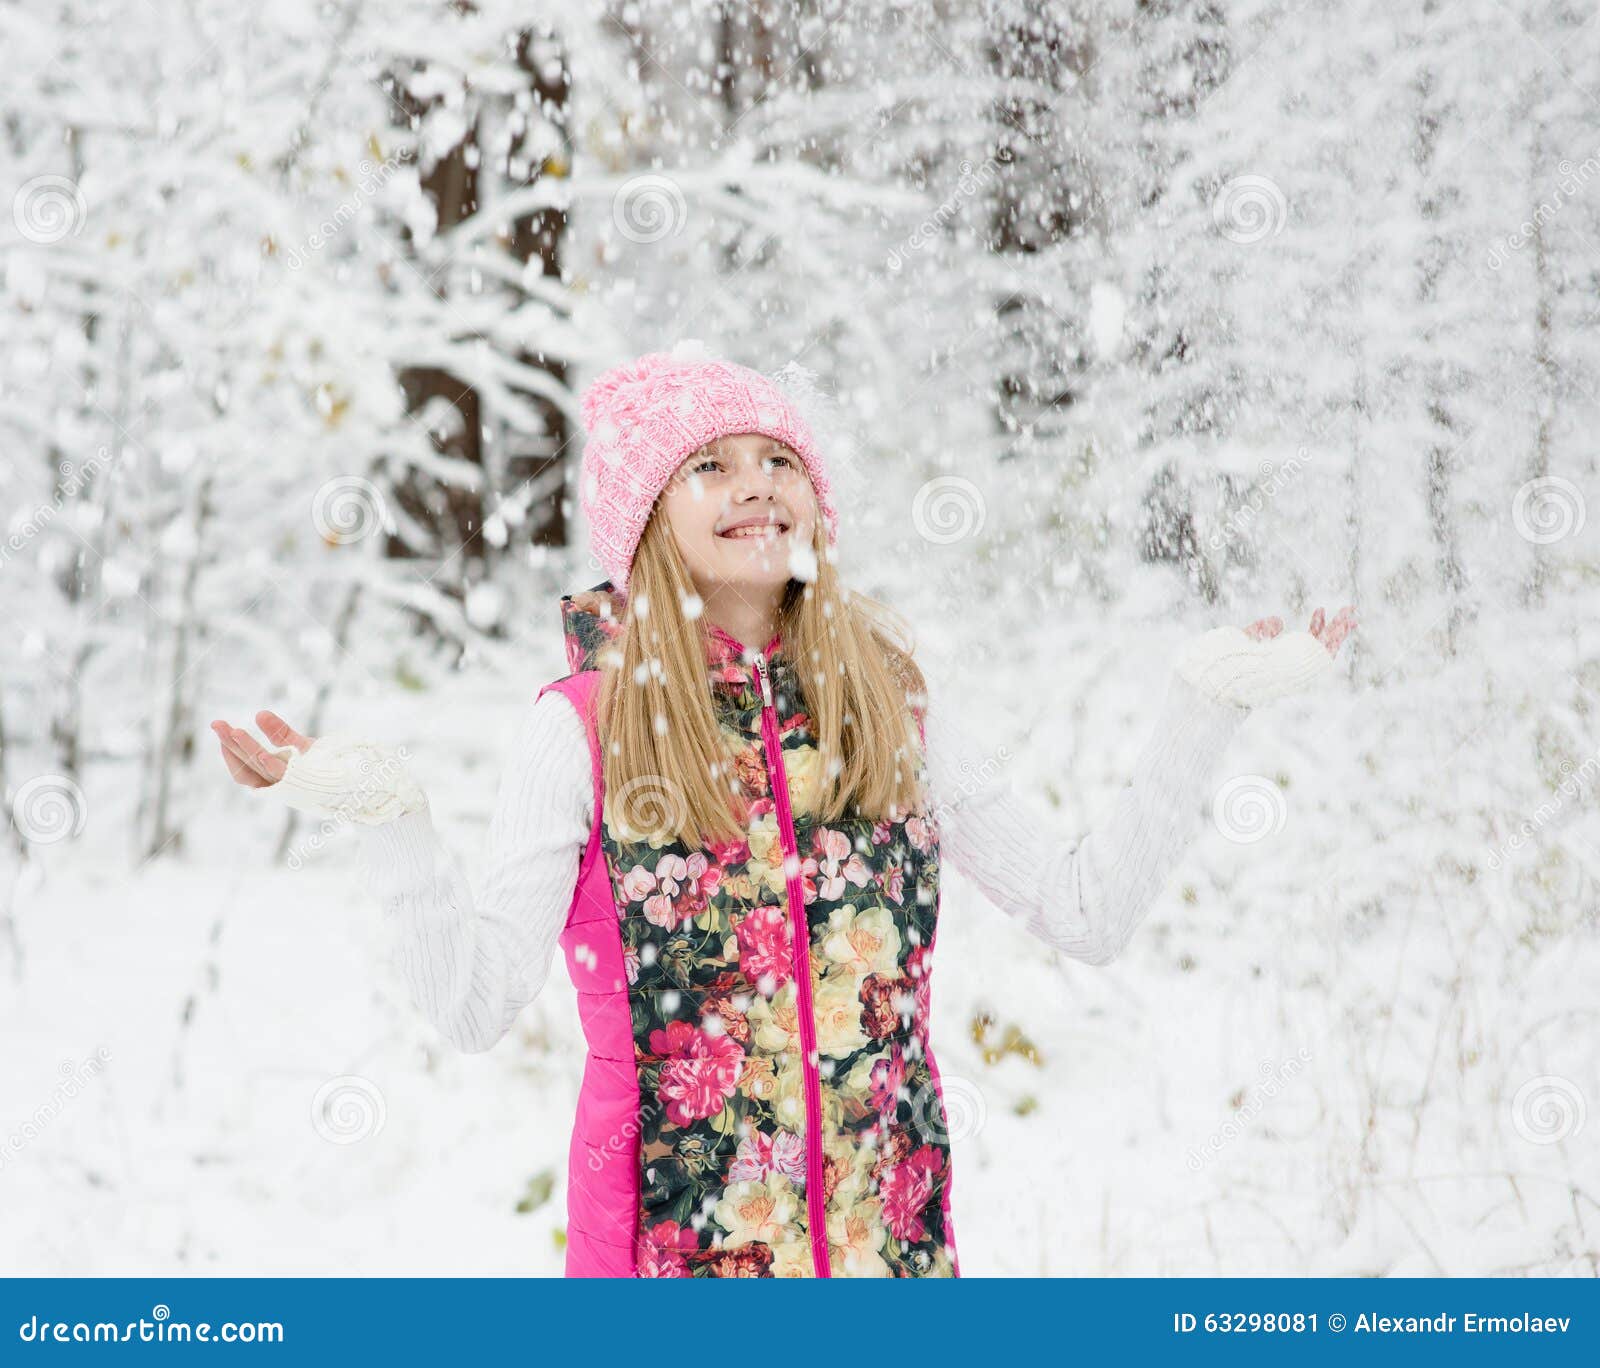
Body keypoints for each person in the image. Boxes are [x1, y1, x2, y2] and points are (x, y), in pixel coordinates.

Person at [211, 341, 1356, 1278]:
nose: (755, 482)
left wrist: (1201, 709)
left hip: (885, 1264)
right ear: (649, 521)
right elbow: (472, 1007)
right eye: (708, 467)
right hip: (664, 1275)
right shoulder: (583, 727)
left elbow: (1085, 910)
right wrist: (393, 822)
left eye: (777, 459)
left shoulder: (890, 703)